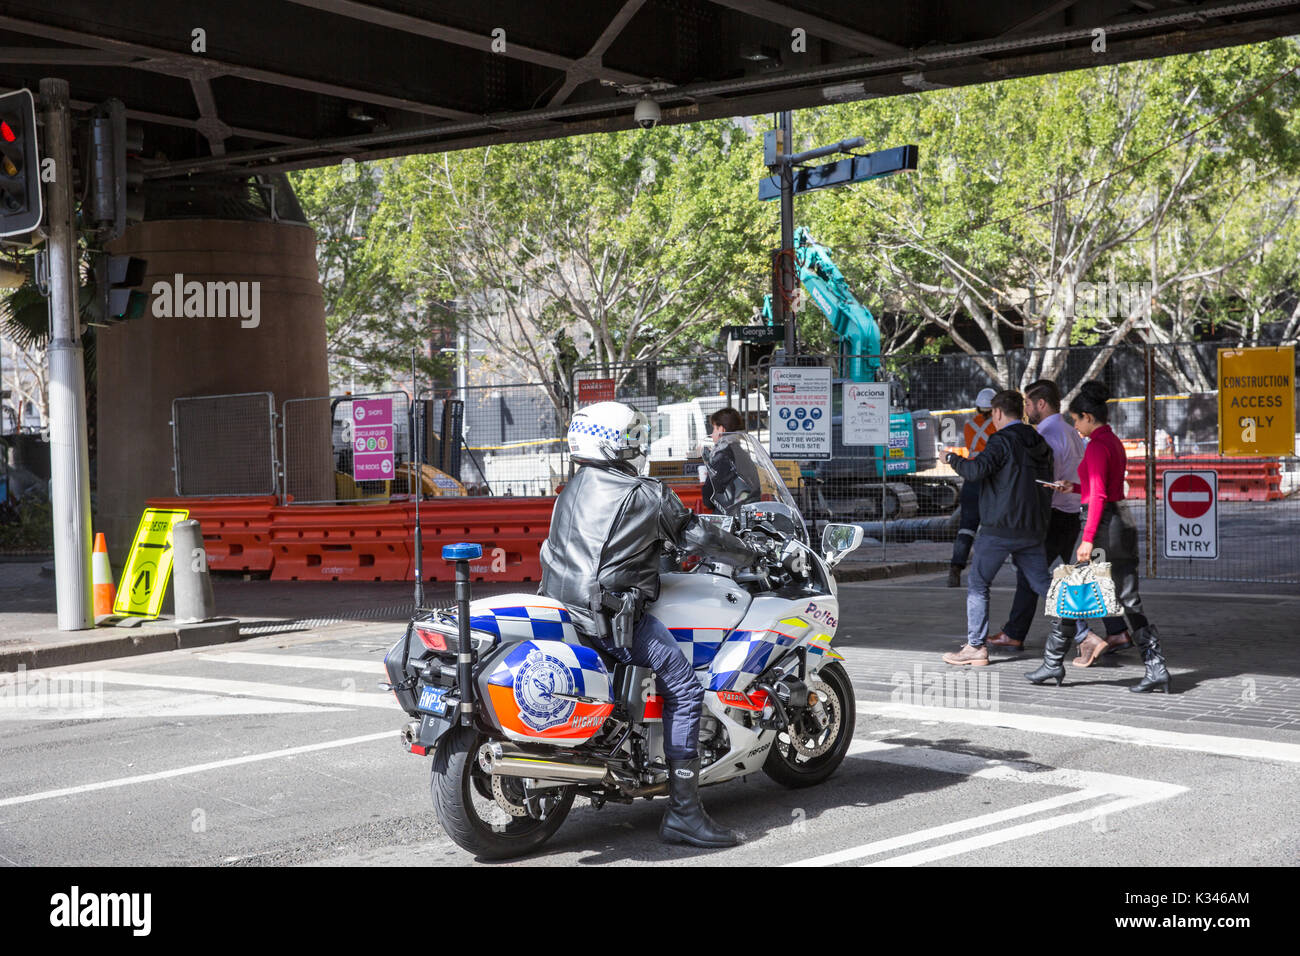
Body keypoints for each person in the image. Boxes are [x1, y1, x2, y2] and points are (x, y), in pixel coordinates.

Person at [540, 401, 768, 846]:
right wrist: (750, 553)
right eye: (632, 438)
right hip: (609, 619)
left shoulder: (572, 488)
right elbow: (696, 534)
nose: (638, 446)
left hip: (564, 608)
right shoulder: (644, 493)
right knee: (684, 688)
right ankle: (684, 812)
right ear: (614, 443)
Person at [1026, 382, 1171, 692]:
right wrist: (1075, 488)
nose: (1075, 427)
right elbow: (1107, 489)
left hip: (1102, 527)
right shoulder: (1113, 442)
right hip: (1122, 523)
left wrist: (1088, 537)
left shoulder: (1095, 445)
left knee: (1069, 591)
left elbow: (1100, 495)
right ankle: (1155, 665)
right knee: (1127, 597)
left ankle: (1053, 663)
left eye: (1076, 420)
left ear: (1088, 417)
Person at [987, 380, 1131, 659]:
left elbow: (1093, 490)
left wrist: (1088, 537)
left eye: (1028, 403)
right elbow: (1087, 482)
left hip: (1053, 515)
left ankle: (1070, 634)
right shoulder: (1072, 433)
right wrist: (1074, 489)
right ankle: (1114, 630)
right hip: (1071, 513)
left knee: (1038, 575)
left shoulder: (1046, 435)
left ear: (1041, 404)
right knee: (1076, 576)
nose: (1026, 409)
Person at [940, 389, 1068, 667]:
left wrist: (951, 459)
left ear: (998, 413)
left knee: (977, 584)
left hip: (1000, 528)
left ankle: (975, 645)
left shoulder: (1001, 440)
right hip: (1032, 528)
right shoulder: (1038, 440)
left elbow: (975, 471)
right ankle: (1084, 635)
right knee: (1043, 584)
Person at [948, 387, 998, 587]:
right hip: (991, 478)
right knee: (993, 527)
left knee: (966, 527)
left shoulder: (969, 426)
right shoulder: (998, 426)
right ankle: (985, 572)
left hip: (971, 478)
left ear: (978, 406)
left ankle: (955, 569)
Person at [700, 407, 761, 513]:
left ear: (722, 429)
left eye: (714, 428)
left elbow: (709, 494)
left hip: (729, 516)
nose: (713, 433)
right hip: (746, 511)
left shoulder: (723, 455)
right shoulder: (742, 452)